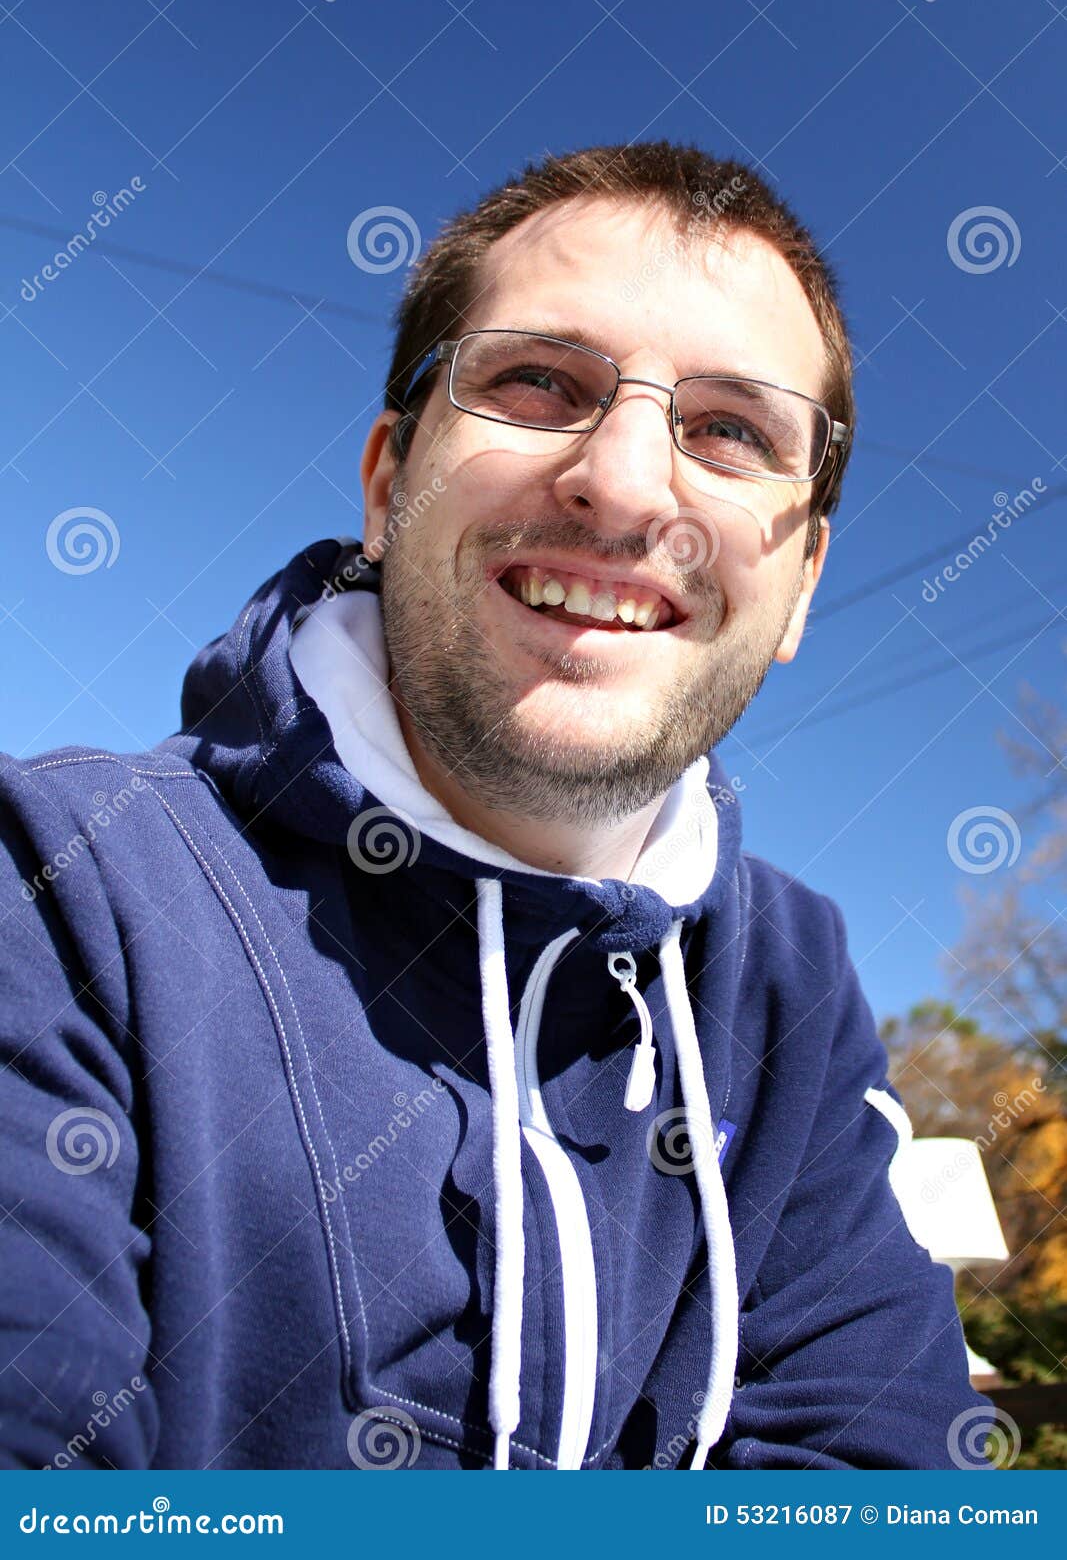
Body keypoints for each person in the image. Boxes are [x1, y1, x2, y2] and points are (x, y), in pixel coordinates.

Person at [0, 141, 985, 1471]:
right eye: (538, 380)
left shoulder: (789, 996)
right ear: (389, 481)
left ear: (802, 579)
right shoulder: (57, 892)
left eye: (731, 429)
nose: (626, 486)